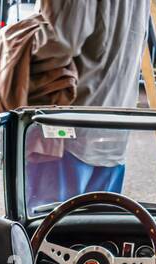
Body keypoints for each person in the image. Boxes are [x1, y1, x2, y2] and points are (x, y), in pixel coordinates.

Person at [25, 0, 148, 207]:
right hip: (113, 126)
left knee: (46, 228)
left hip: (69, 126)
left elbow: (60, 40)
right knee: (93, 229)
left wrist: (13, 43)